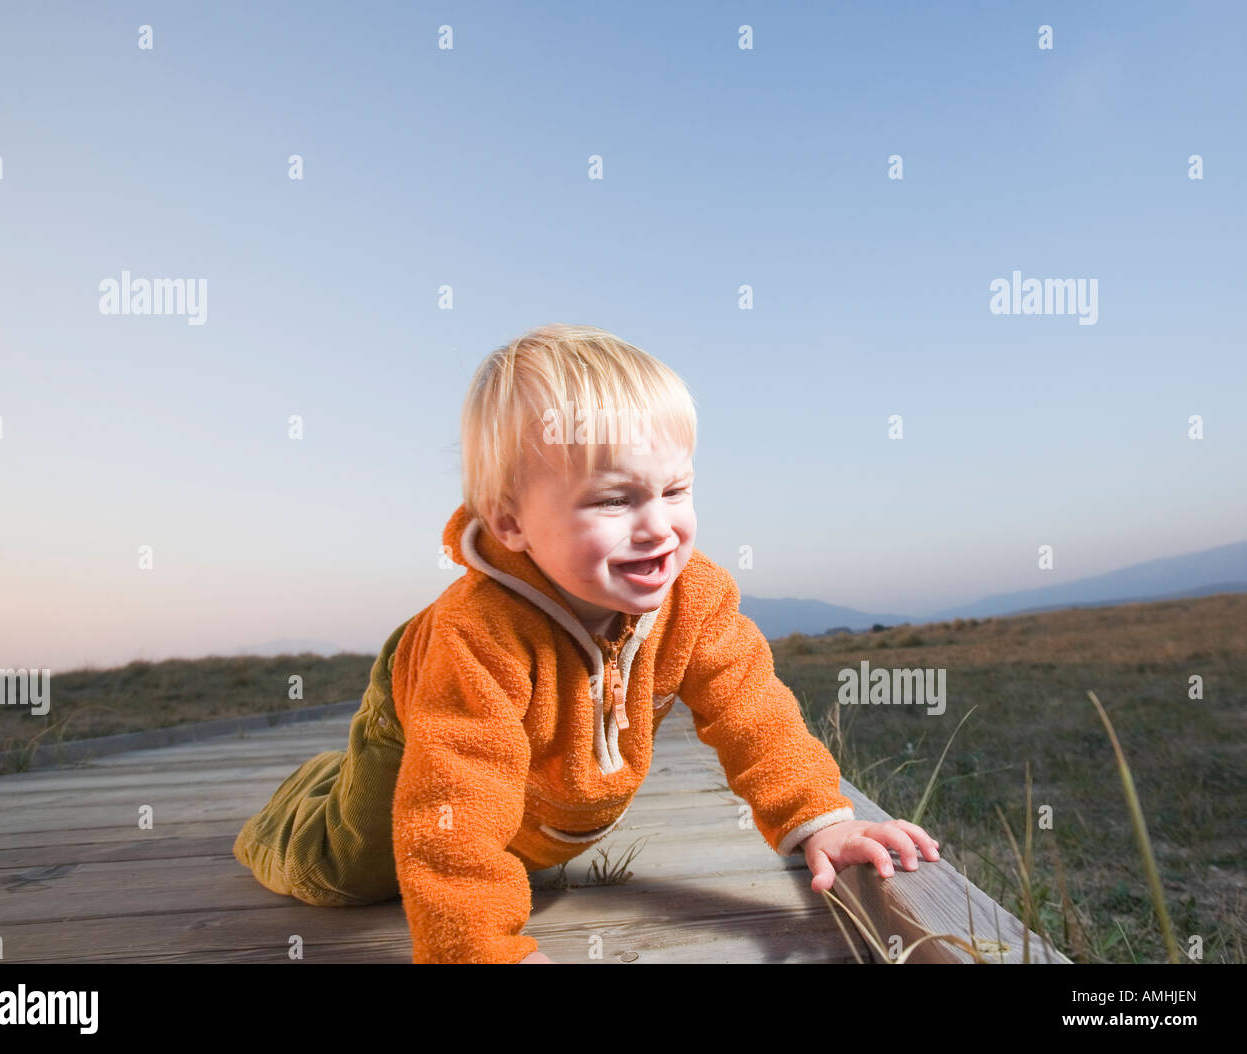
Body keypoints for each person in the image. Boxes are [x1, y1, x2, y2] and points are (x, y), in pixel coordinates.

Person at [232, 322, 940, 963]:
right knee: (349, 868)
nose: (659, 526)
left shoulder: (696, 597)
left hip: (532, 796)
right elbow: (446, 827)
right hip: (421, 743)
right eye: (614, 499)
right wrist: (485, 952)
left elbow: (753, 714)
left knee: (500, 811)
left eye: (675, 490)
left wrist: (820, 822)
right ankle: (299, 801)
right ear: (510, 521)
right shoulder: (475, 638)